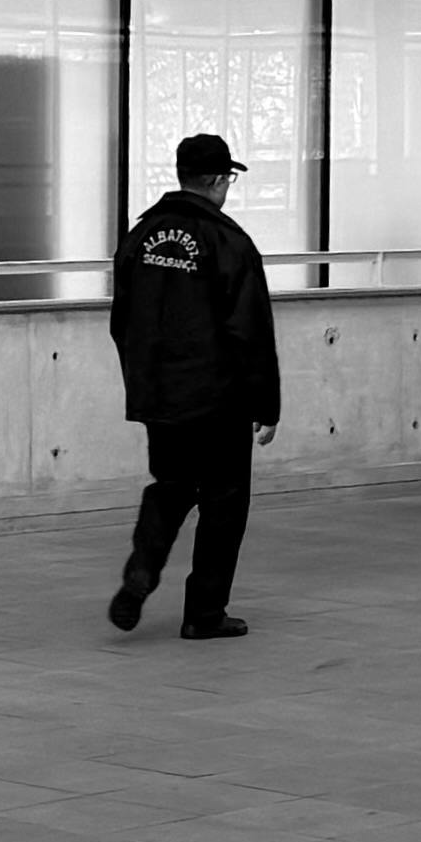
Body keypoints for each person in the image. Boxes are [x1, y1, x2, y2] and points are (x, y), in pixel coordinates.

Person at [106, 130, 280, 641]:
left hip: (162, 396)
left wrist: (144, 382)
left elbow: (122, 321)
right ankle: (204, 614)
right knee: (225, 503)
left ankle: (142, 571)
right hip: (219, 399)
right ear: (216, 181)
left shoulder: (140, 238)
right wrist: (265, 403)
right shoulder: (229, 242)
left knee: (172, 485)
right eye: (227, 178)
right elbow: (249, 329)